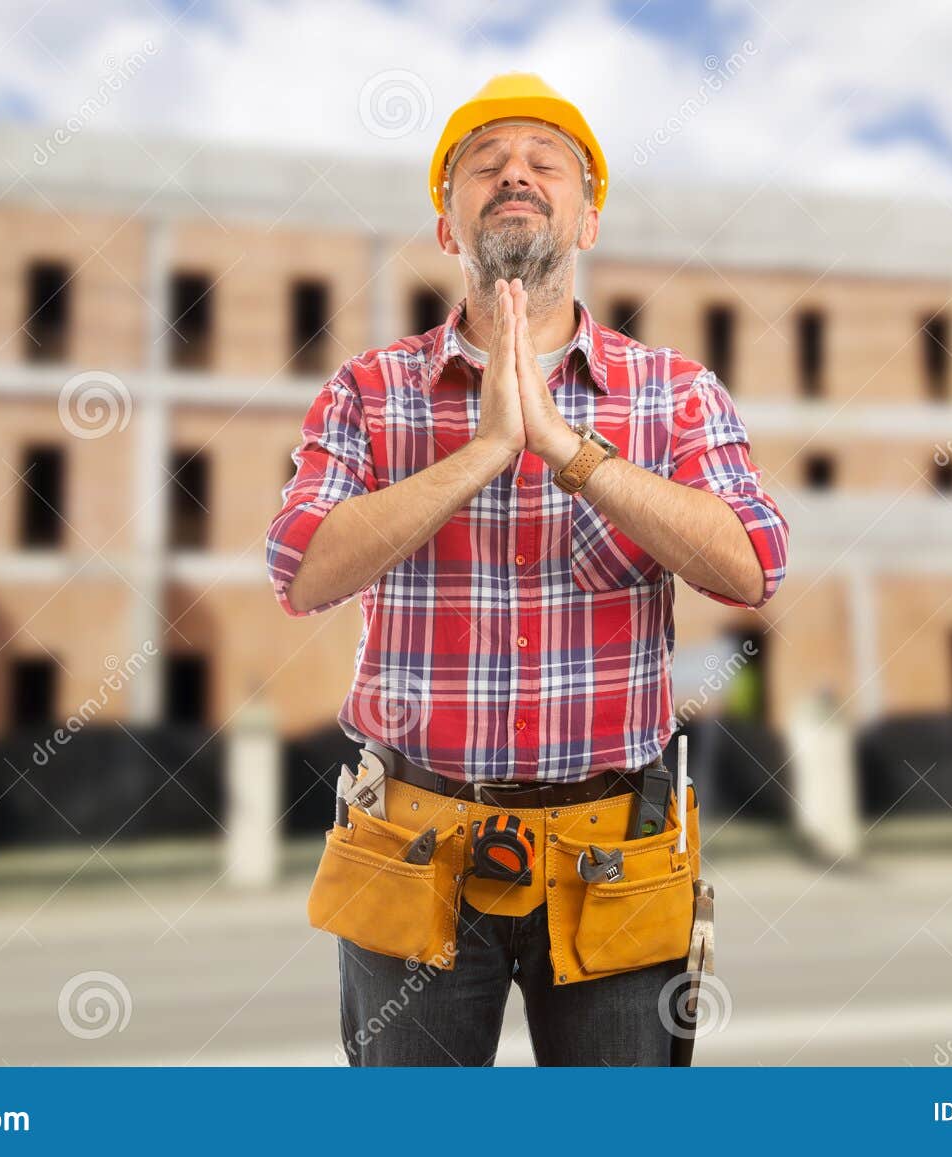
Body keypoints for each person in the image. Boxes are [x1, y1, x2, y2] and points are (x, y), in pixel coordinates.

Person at [267, 73, 789, 1066]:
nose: (517, 175)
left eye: (546, 163)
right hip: (410, 851)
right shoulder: (369, 392)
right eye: (485, 164)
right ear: (445, 223)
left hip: (615, 860)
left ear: (588, 219)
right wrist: (483, 451)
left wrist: (567, 450)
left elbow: (751, 562)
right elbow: (301, 568)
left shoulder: (676, 393)